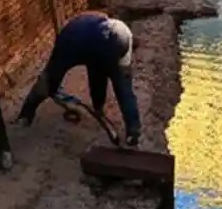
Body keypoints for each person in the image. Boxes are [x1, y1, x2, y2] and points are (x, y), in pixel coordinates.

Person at [16, 11, 141, 146]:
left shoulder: (122, 36)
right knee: (50, 80)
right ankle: (26, 114)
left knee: (113, 82)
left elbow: (123, 87)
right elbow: (121, 87)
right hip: (73, 41)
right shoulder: (78, 38)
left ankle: (129, 128)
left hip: (86, 34)